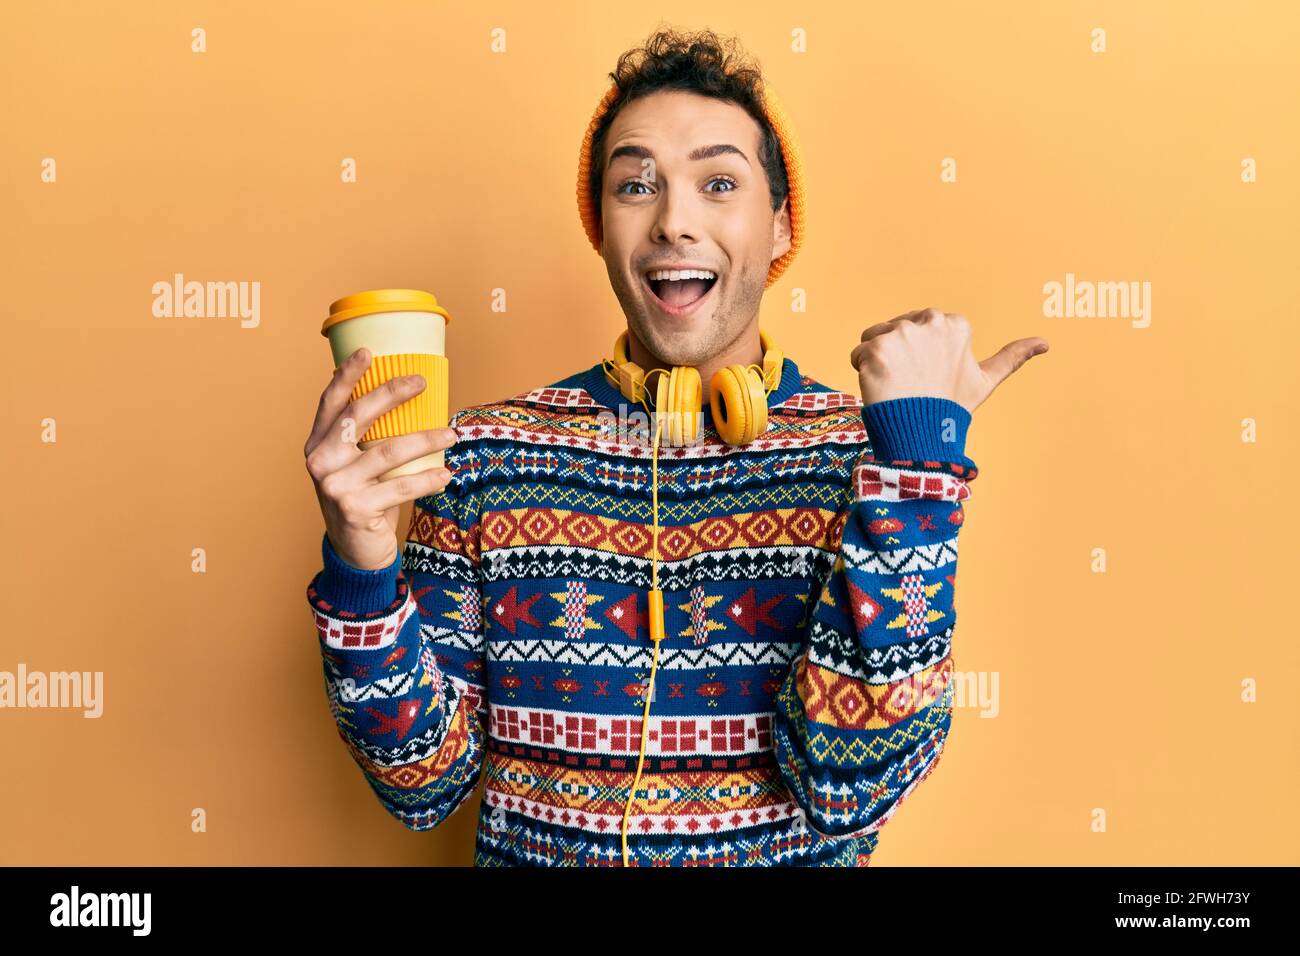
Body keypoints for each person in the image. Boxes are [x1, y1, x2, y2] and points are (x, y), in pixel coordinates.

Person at [302, 26, 1047, 867]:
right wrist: (361, 565)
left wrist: (915, 473)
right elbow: (420, 785)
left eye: (719, 182)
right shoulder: (482, 455)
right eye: (635, 186)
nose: (673, 221)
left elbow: (851, 786)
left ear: (778, 228)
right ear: (601, 229)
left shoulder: (868, 458)